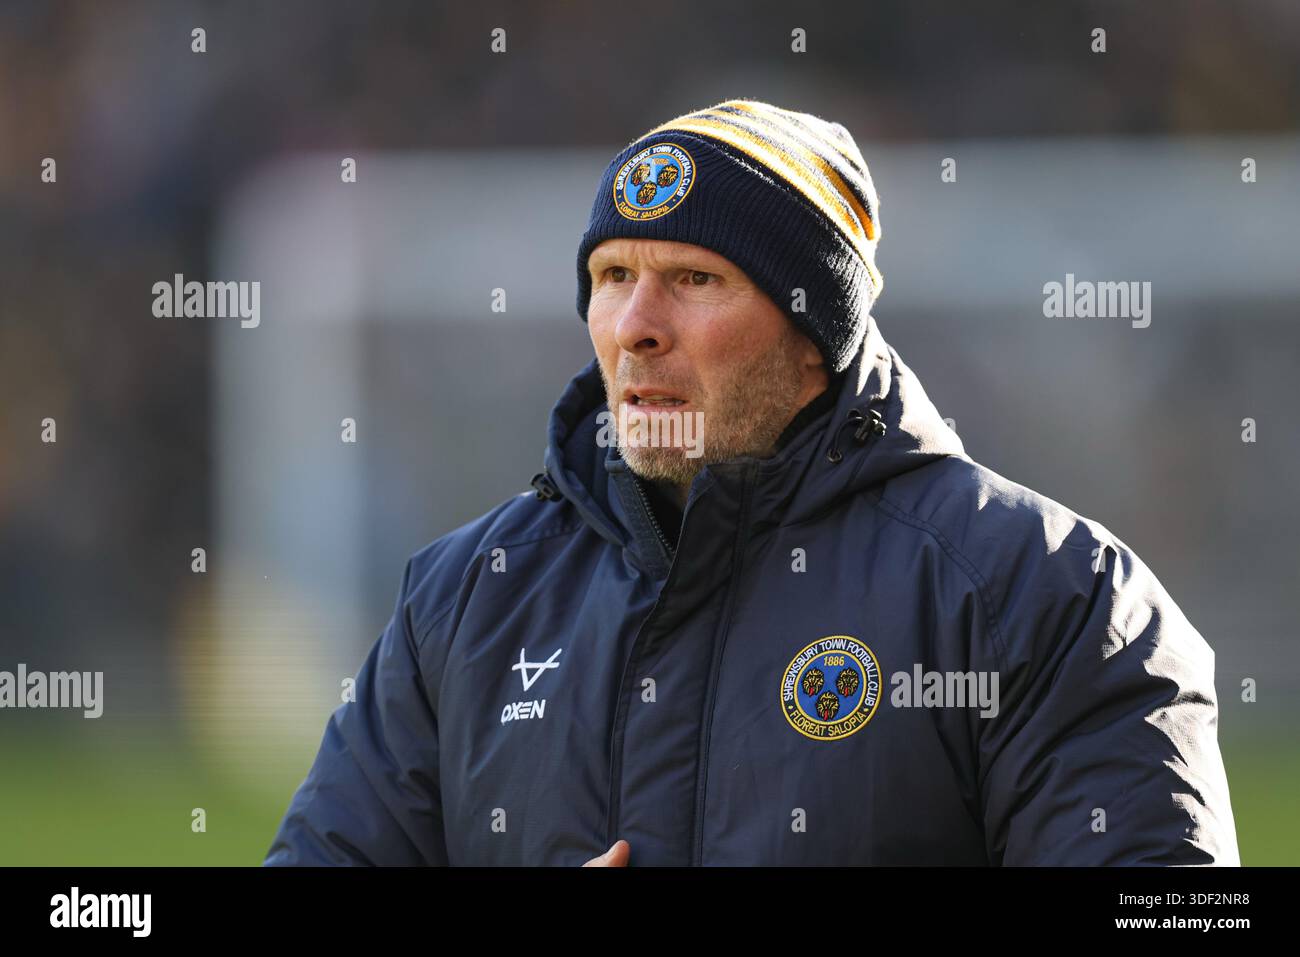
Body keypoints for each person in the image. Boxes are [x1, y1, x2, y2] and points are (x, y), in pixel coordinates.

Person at [264, 100, 1239, 866]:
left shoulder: (1047, 595)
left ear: (814, 331)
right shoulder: (465, 600)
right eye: (611, 276)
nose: (634, 325)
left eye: (693, 279)